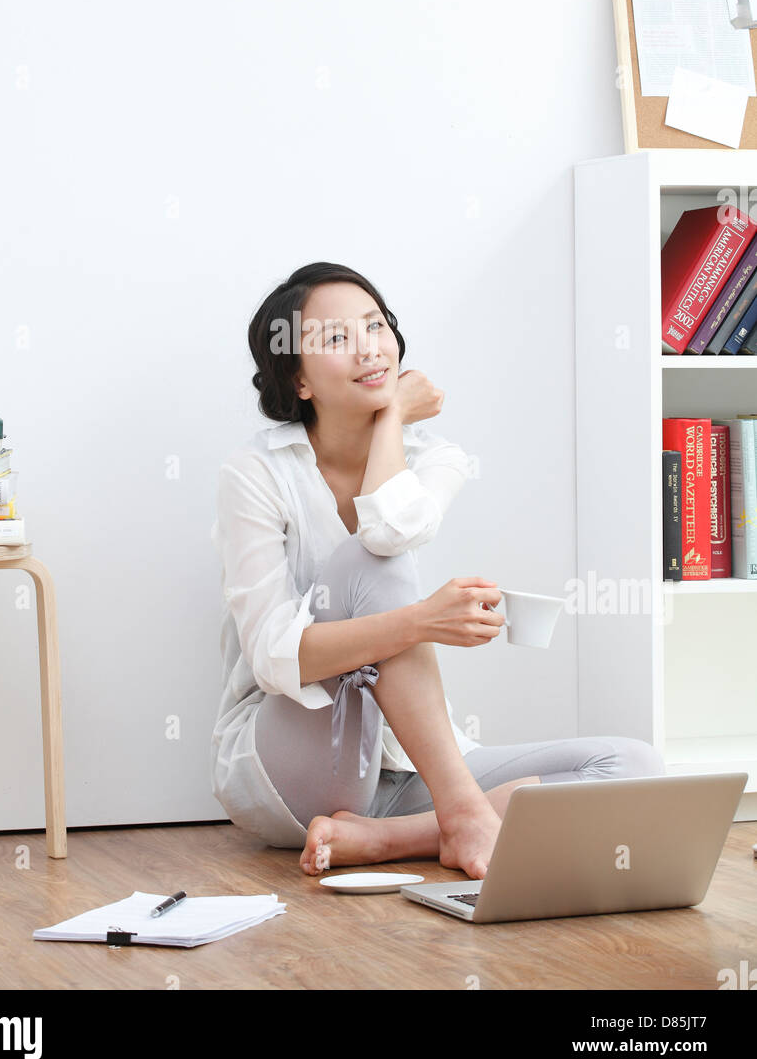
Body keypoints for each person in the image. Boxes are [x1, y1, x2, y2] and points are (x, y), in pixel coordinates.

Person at [210, 262, 665, 879]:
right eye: (338, 339)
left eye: (376, 326)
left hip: (399, 773)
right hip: (290, 764)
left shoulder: (436, 457)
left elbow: (389, 524)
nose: (371, 348)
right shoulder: (258, 472)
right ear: (299, 378)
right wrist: (420, 622)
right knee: (372, 562)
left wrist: (390, 422)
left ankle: (391, 838)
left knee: (629, 766)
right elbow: (274, 658)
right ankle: (463, 813)